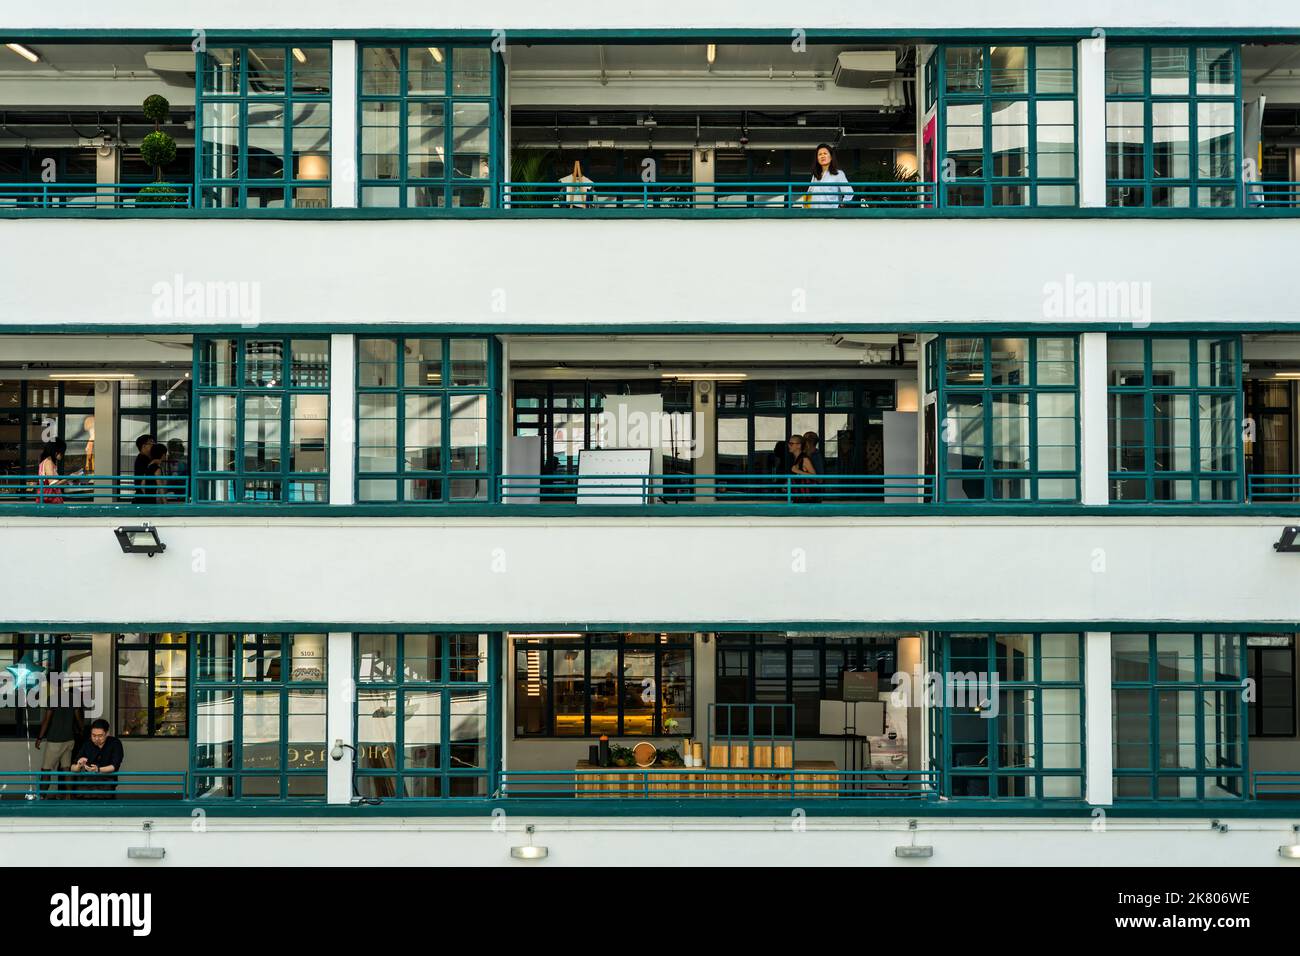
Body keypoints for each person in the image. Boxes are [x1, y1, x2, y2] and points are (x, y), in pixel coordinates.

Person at [35, 702, 83, 798]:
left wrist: (40, 737)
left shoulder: (53, 698)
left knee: (46, 770)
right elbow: (78, 719)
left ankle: (41, 796)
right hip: (69, 739)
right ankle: (69, 796)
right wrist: (82, 730)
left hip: (55, 740)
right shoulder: (73, 698)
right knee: (67, 769)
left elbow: (46, 720)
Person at [70, 718, 124, 800]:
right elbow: (72, 768)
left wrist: (98, 769)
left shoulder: (115, 743)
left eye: (100, 736)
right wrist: (79, 765)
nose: (96, 739)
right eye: (93, 735)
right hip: (86, 787)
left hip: (105, 787)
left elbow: (114, 766)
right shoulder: (87, 744)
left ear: (107, 733)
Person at [806, 143, 854, 208]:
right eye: (820, 154)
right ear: (817, 159)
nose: (822, 156)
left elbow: (849, 193)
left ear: (831, 157)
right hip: (814, 214)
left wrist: (840, 206)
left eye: (825, 153)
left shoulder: (838, 174)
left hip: (830, 215)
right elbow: (809, 194)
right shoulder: (815, 175)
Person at [36, 439, 67, 504]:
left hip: (47, 498)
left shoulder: (48, 461)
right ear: (56, 452)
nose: (63, 455)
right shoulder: (48, 462)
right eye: (62, 452)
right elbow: (53, 484)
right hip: (50, 499)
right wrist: (69, 478)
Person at [132, 434, 155, 499]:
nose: (153, 445)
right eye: (151, 443)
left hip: (147, 495)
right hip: (144, 497)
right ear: (144, 446)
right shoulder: (142, 459)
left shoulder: (148, 458)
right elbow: (142, 482)